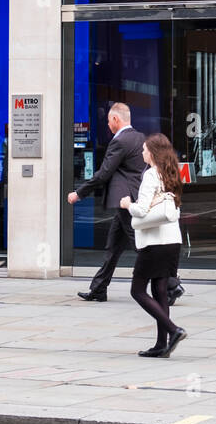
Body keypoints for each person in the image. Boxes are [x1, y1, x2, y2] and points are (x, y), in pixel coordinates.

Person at [67, 104, 182, 304]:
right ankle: (98, 288)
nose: (107, 124)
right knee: (113, 247)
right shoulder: (139, 137)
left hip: (127, 201)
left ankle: (172, 285)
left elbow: (104, 173)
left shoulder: (120, 141)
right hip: (130, 198)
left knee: (142, 245)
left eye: (109, 120)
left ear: (116, 120)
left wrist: (79, 193)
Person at [126, 134, 187, 358]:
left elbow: (141, 210)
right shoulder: (171, 174)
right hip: (172, 241)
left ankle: (173, 330)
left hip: (154, 243)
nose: (142, 153)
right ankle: (162, 344)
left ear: (153, 153)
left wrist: (127, 205)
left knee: (137, 290)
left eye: (144, 150)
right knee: (160, 291)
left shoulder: (151, 175)